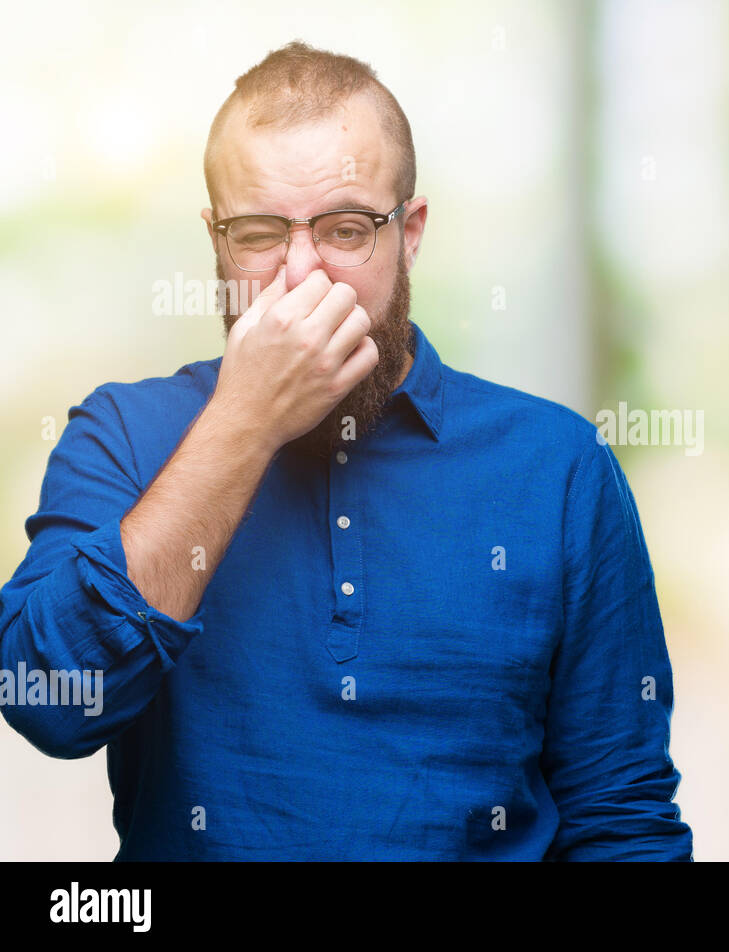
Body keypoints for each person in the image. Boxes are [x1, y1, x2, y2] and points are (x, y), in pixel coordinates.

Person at [0, 40, 691, 861]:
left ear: (412, 232)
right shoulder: (123, 434)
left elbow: (622, 819)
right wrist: (244, 423)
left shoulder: (559, 468)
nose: (301, 274)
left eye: (345, 229)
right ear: (215, 241)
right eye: (258, 233)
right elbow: (51, 702)